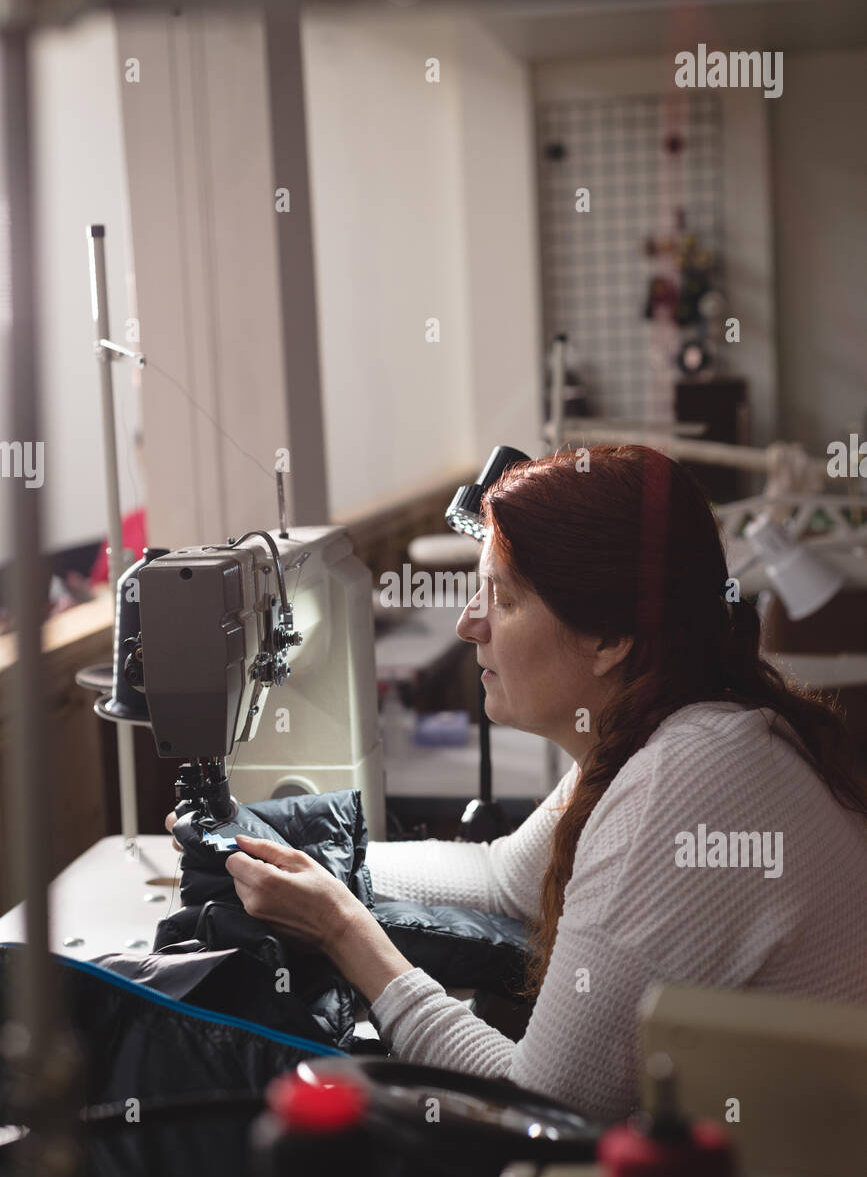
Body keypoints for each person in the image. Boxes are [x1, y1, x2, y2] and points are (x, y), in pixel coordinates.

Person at [166, 445, 867, 1124]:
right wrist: (284, 854)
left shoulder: (681, 786)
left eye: (500, 598)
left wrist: (343, 932)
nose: (468, 623)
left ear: (608, 639)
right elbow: (505, 879)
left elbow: (539, 1106)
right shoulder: (686, 727)